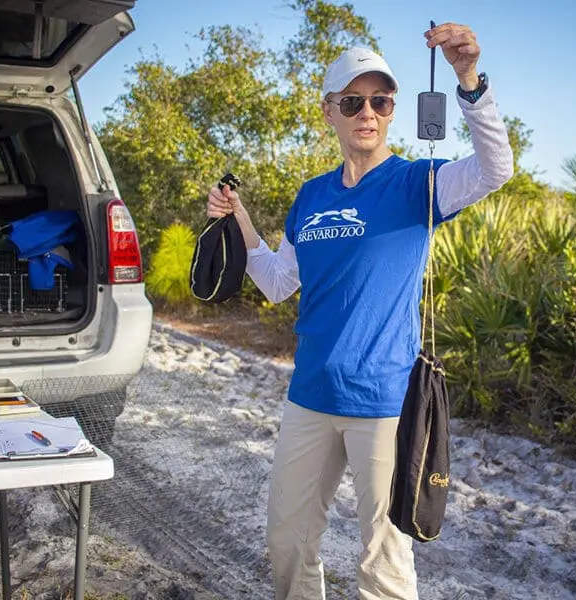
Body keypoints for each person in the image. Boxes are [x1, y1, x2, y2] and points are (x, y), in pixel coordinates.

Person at [206, 22, 514, 600]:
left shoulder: (416, 185)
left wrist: (468, 79)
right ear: (330, 111)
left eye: (380, 100)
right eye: (353, 101)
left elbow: (495, 169)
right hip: (310, 396)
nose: (367, 111)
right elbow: (275, 282)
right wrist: (237, 218)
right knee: (288, 539)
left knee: (383, 559)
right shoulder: (311, 196)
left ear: (393, 108)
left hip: (383, 401)